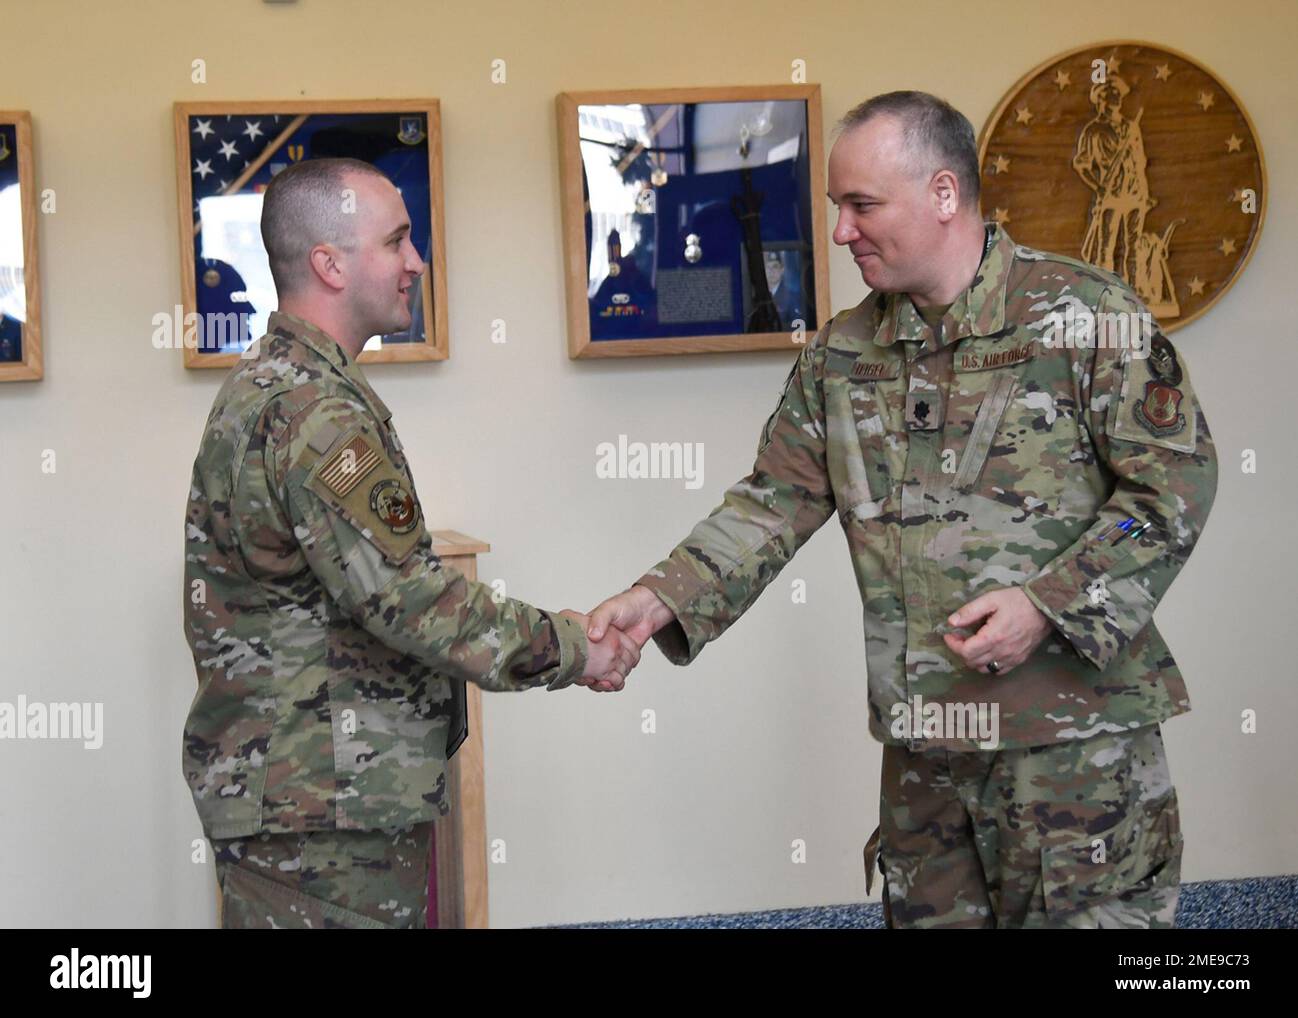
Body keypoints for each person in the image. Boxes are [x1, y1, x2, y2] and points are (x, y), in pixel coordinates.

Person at [588, 91, 1217, 929]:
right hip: (926, 755)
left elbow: (1169, 489)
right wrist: (658, 596)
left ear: (945, 194)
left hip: (1075, 752)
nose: (842, 231)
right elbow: (773, 504)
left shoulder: (1088, 319)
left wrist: (1047, 603)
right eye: (837, 208)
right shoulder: (842, 356)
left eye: (862, 205)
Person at [182, 157, 637, 929]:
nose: (416, 262)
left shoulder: (275, 382)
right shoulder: (315, 409)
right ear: (330, 264)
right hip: (322, 813)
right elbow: (409, 598)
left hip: (305, 798)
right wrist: (574, 647)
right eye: (397, 241)